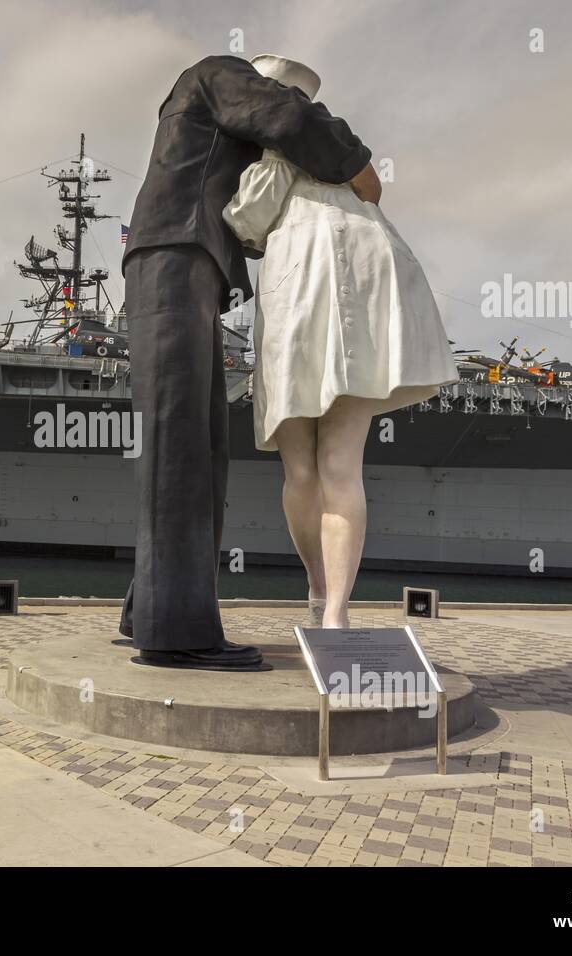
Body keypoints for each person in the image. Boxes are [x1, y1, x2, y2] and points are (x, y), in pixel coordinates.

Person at [119, 54, 376, 671]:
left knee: (199, 450)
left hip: (193, 264)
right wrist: (359, 167)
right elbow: (287, 117)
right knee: (180, 446)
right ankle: (177, 634)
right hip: (176, 257)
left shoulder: (214, 128)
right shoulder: (218, 74)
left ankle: (147, 612)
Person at [222, 55, 458, 628]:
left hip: (301, 280)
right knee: (342, 465)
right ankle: (336, 613)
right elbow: (373, 189)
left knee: (300, 470)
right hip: (373, 268)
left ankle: (314, 587)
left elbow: (247, 222)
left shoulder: (270, 158)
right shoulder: (345, 146)